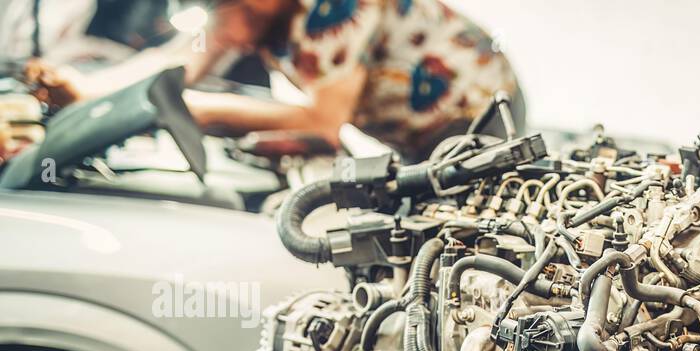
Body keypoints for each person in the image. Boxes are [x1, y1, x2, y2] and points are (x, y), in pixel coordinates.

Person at [25, 0, 522, 160]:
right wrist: (83, 91)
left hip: (475, 116)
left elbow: (323, 122)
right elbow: (174, 66)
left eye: (230, 9)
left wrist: (196, 108)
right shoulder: (253, 17)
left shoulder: (335, 8)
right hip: (413, 138)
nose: (223, 27)